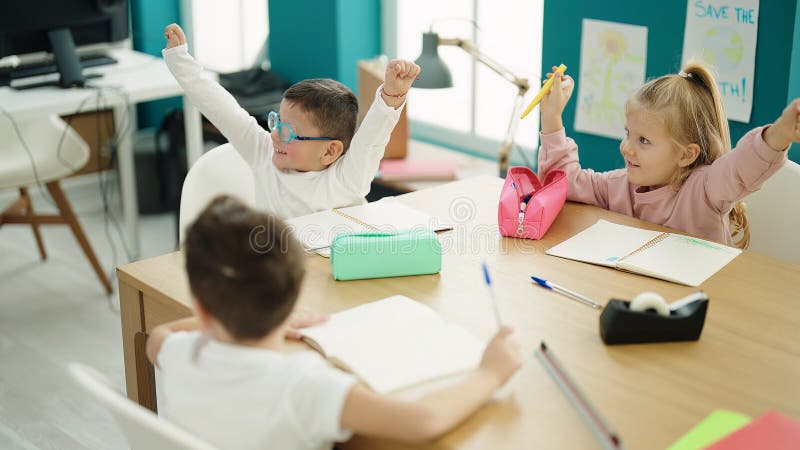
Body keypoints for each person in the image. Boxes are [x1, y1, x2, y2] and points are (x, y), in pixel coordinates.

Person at [146, 196, 521, 450]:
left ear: (202, 308)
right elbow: (424, 420)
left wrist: (219, 317)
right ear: (293, 295)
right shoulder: (301, 385)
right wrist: (489, 374)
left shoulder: (179, 352)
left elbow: (159, 335)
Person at [162, 23, 421, 218]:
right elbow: (221, 107)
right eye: (276, 122)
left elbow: (372, 139)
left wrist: (392, 94)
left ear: (330, 150)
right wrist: (180, 60)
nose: (274, 134)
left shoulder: (347, 179)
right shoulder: (264, 153)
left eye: (288, 131)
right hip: (281, 274)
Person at [537, 62, 800, 247]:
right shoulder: (619, 186)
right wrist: (552, 118)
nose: (626, 147)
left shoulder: (706, 189)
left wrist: (780, 133)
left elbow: (743, 166)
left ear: (686, 155)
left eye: (643, 140)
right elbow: (564, 183)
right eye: (628, 133)